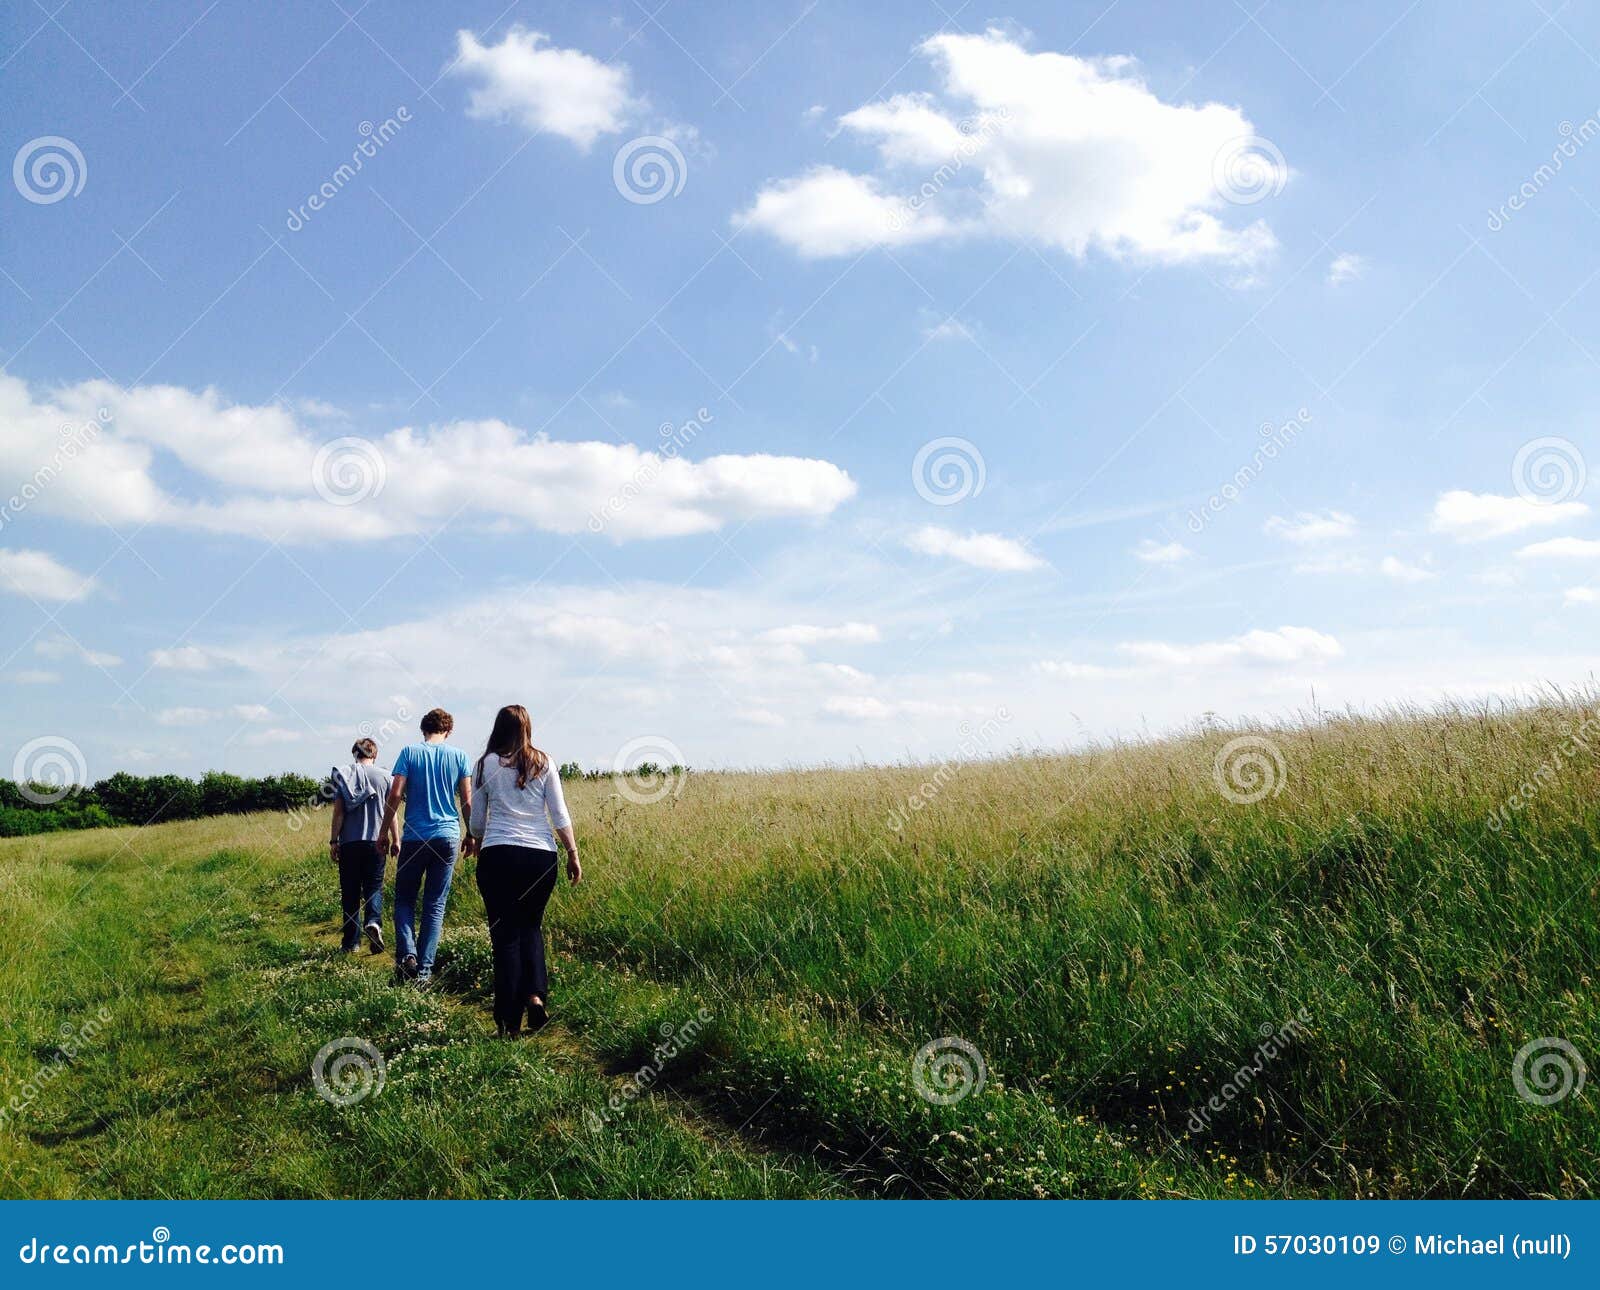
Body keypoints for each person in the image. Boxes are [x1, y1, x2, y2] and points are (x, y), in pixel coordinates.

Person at [467, 705, 581, 1036]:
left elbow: (477, 821)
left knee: (505, 937)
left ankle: (508, 1022)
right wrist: (572, 853)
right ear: (528, 728)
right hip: (540, 857)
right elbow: (559, 815)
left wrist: (474, 838)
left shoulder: (486, 764)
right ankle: (534, 996)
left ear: (498, 729)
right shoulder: (544, 762)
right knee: (531, 927)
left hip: (499, 855)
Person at [380, 708, 472, 986]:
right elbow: (467, 801)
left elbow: (395, 793)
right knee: (435, 905)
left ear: (423, 729)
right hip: (447, 836)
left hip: (414, 836)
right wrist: (473, 834)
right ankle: (423, 972)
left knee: (404, 899)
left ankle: (407, 956)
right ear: (449, 730)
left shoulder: (409, 753)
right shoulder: (460, 756)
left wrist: (383, 832)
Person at [329, 738, 391, 954]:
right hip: (377, 842)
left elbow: (338, 813)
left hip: (349, 843)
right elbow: (390, 812)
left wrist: (333, 841)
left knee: (350, 893)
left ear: (355, 754)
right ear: (374, 754)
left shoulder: (345, 778)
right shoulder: (385, 777)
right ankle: (373, 922)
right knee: (374, 887)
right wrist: (396, 839)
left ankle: (351, 943)